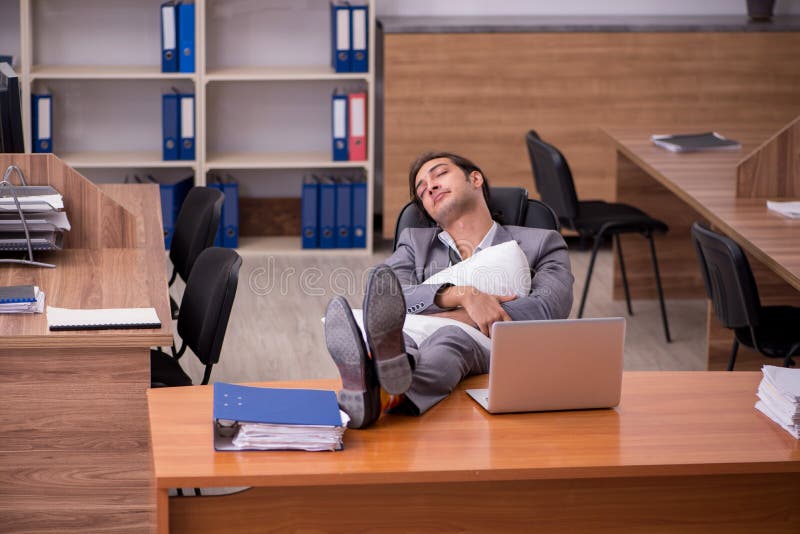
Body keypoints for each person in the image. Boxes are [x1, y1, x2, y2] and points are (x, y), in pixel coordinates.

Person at [324, 152, 574, 428]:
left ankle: (380, 392)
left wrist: (465, 318)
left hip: (499, 347)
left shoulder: (540, 242)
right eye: (421, 190)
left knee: (451, 338)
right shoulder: (415, 243)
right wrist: (463, 295)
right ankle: (380, 384)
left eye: (440, 174)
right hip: (415, 338)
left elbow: (550, 308)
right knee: (398, 339)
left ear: (475, 179)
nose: (429, 186)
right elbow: (385, 295)